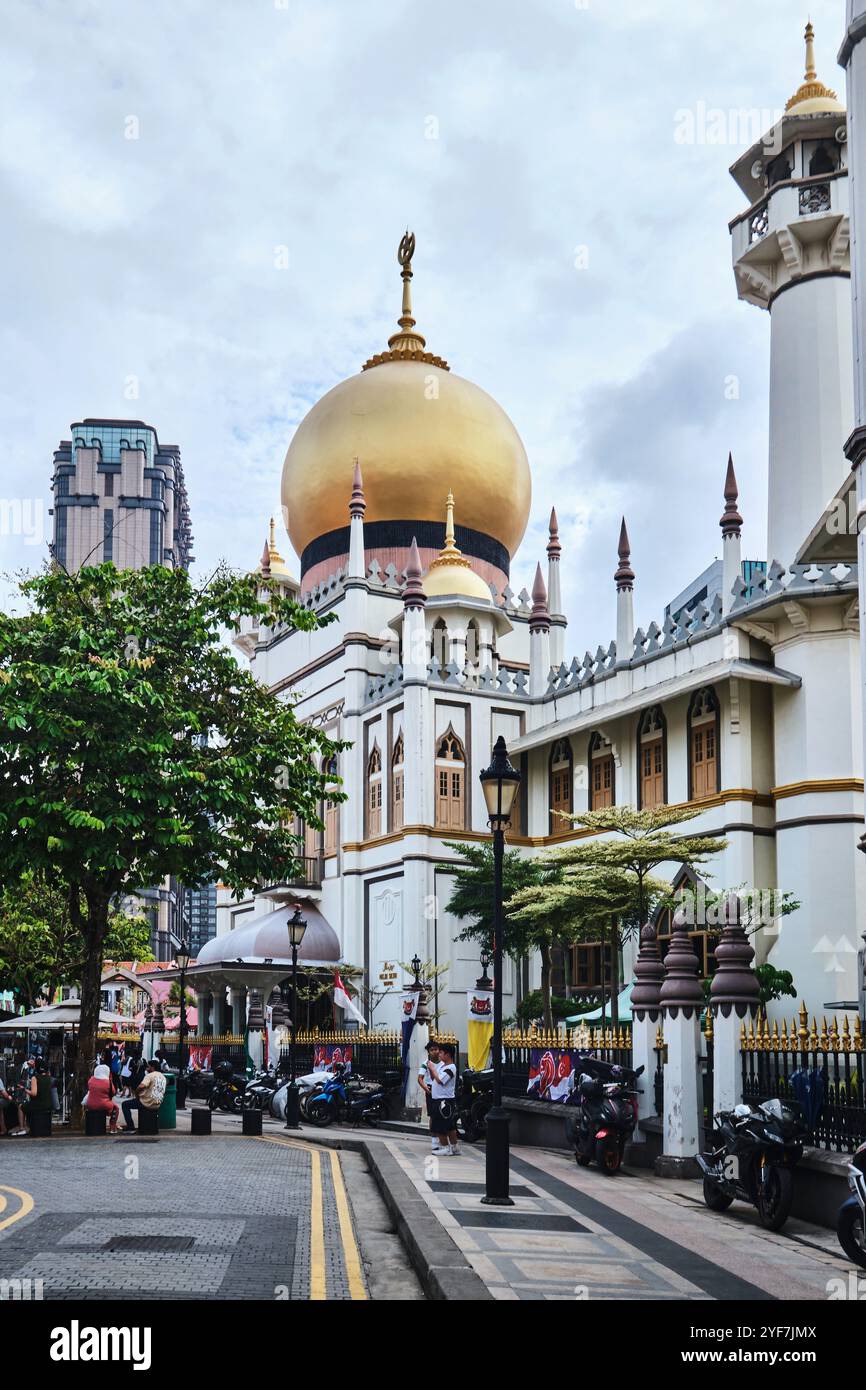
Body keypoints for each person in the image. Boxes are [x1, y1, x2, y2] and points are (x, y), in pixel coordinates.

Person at [426, 1041, 460, 1156]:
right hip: (438, 1099)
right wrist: (431, 1069)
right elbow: (434, 1078)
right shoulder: (442, 1065)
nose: (439, 1055)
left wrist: (433, 1069)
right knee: (449, 1125)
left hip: (444, 1100)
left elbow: (441, 1080)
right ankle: (454, 1147)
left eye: (441, 1053)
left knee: (440, 1125)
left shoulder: (451, 1068)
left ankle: (446, 1147)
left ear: (448, 1054)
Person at [120, 1060, 166, 1132]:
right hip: (157, 1103)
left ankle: (130, 1126)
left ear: (152, 1067)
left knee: (125, 1104)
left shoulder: (150, 1075)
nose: (147, 1069)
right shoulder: (163, 1077)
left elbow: (141, 1086)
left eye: (148, 1067)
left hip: (147, 1102)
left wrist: (137, 1093)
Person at [15, 1058, 53, 1136]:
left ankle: (22, 1128)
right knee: (29, 1106)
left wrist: (24, 1089)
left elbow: (34, 1093)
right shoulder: (49, 1078)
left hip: (38, 1104)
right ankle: (30, 1126)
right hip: (48, 1104)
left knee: (21, 1106)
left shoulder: (35, 1078)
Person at [417, 1041, 441, 1153]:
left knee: (442, 1114)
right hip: (431, 1090)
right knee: (433, 1114)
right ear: (428, 1052)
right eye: (432, 1050)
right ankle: (434, 1140)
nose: (434, 1052)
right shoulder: (425, 1064)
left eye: (436, 1049)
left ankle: (443, 1138)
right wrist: (426, 1089)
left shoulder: (444, 1063)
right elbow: (420, 1078)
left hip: (442, 1090)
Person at [84, 1063, 120, 1134]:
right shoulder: (108, 1082)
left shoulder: (91, 1080)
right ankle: (112, 1127)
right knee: (116, 1108)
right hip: (103, 1105)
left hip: (90, 1104)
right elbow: (113, 1092)